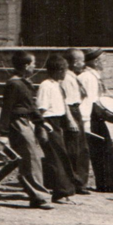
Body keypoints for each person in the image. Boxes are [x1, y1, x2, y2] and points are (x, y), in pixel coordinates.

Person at [0, 51, 54, 208]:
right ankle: (39, 196)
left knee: (13, 159)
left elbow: (30, 106)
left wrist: (40, 121)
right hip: (17, 124)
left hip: (25, 122)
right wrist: (3, 133)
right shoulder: (14, 84)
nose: (35, 67)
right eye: (33, 64)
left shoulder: (24, 82)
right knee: (31, 157)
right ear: (26, 66)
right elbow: (7, 108)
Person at [37, 54, 78, 205]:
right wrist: (42, 128)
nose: (66, 73)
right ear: (59, 70)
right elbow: (41, 109)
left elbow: (63, 105)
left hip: (58, 121)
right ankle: (60, 193)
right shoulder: (45, 85)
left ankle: (63, 190)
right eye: (64, 70)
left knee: (61, 156)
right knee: (56, 158)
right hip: (49, 122)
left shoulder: (56, 85)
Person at [80, 48, 113, 192]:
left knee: (105, 149)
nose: (105, 62)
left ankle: (108, 183)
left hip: (95, 116)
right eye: (103, 59)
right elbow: (88, 101)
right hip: (91, 116)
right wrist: (86, 123)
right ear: (96, 61)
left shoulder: (94, 76)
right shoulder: (87, 77)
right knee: (100, 149)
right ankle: (106, 184)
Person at [61, 48, 91, 194]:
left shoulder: (74, 77)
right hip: (71, 111)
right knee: (74, 149)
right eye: (81, 61)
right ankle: (75, 182)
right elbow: (65, 102)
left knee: (82, 149)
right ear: (74, 62)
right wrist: (70, 120)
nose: (83, 64)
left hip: (76, 110)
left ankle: (80, 182)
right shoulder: (66, 79)